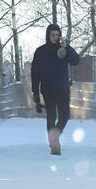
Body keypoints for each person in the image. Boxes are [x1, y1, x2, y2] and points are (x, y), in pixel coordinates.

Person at [31, 23, 81, 155]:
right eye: (52, 35)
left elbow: (76, 61)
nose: (55, 37)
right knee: (51, 117)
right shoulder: (41, 51)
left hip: (63, 89)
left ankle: (55, 137)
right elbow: (35, 73)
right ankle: (54, 145)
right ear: (48, 35)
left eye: (57, 35)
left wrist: (67, 47)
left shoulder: (63, 49)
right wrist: (35, 92)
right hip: (48, 89)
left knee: (65, 116)